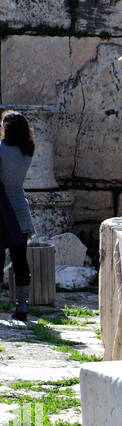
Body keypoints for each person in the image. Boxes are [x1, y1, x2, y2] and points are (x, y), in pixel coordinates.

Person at [0, 110, 35, 322]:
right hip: (21, 210)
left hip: (2, 212)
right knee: (20, 261)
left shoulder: (1, 150)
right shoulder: (28, 151)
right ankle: (22, 307)